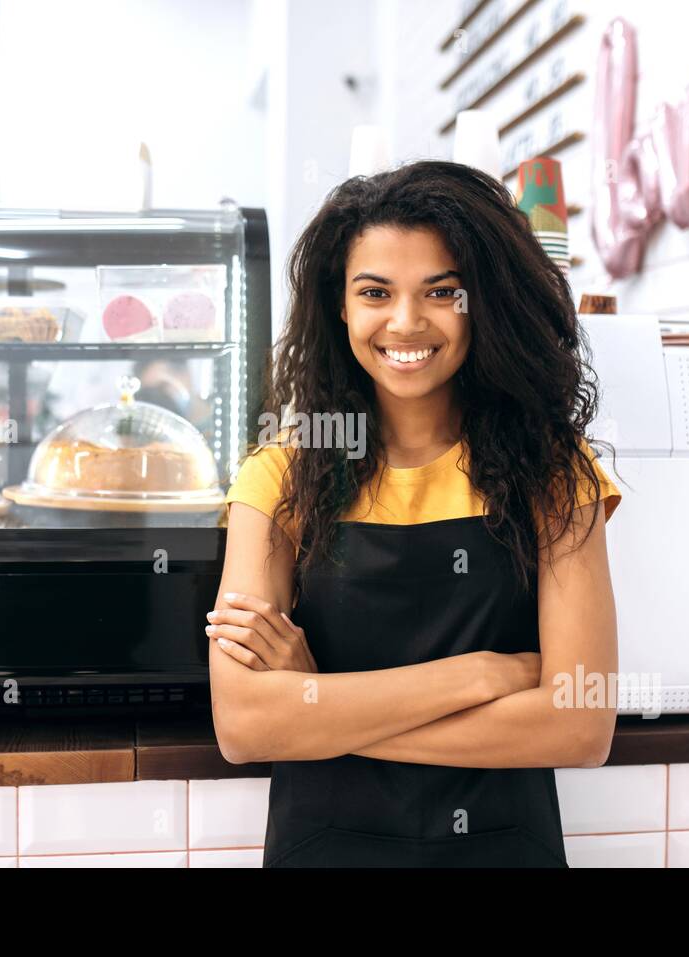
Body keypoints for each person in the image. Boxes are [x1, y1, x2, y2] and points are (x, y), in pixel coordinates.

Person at [206, 159, 623, 868]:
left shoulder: (555, 473)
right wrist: (478, 675)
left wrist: (316, 707)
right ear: (341, 305)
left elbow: (581, 726)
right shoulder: (279, 474)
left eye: (442, 292)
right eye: (376, 292)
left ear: (481, 303)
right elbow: (245, 726)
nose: (405, 321)